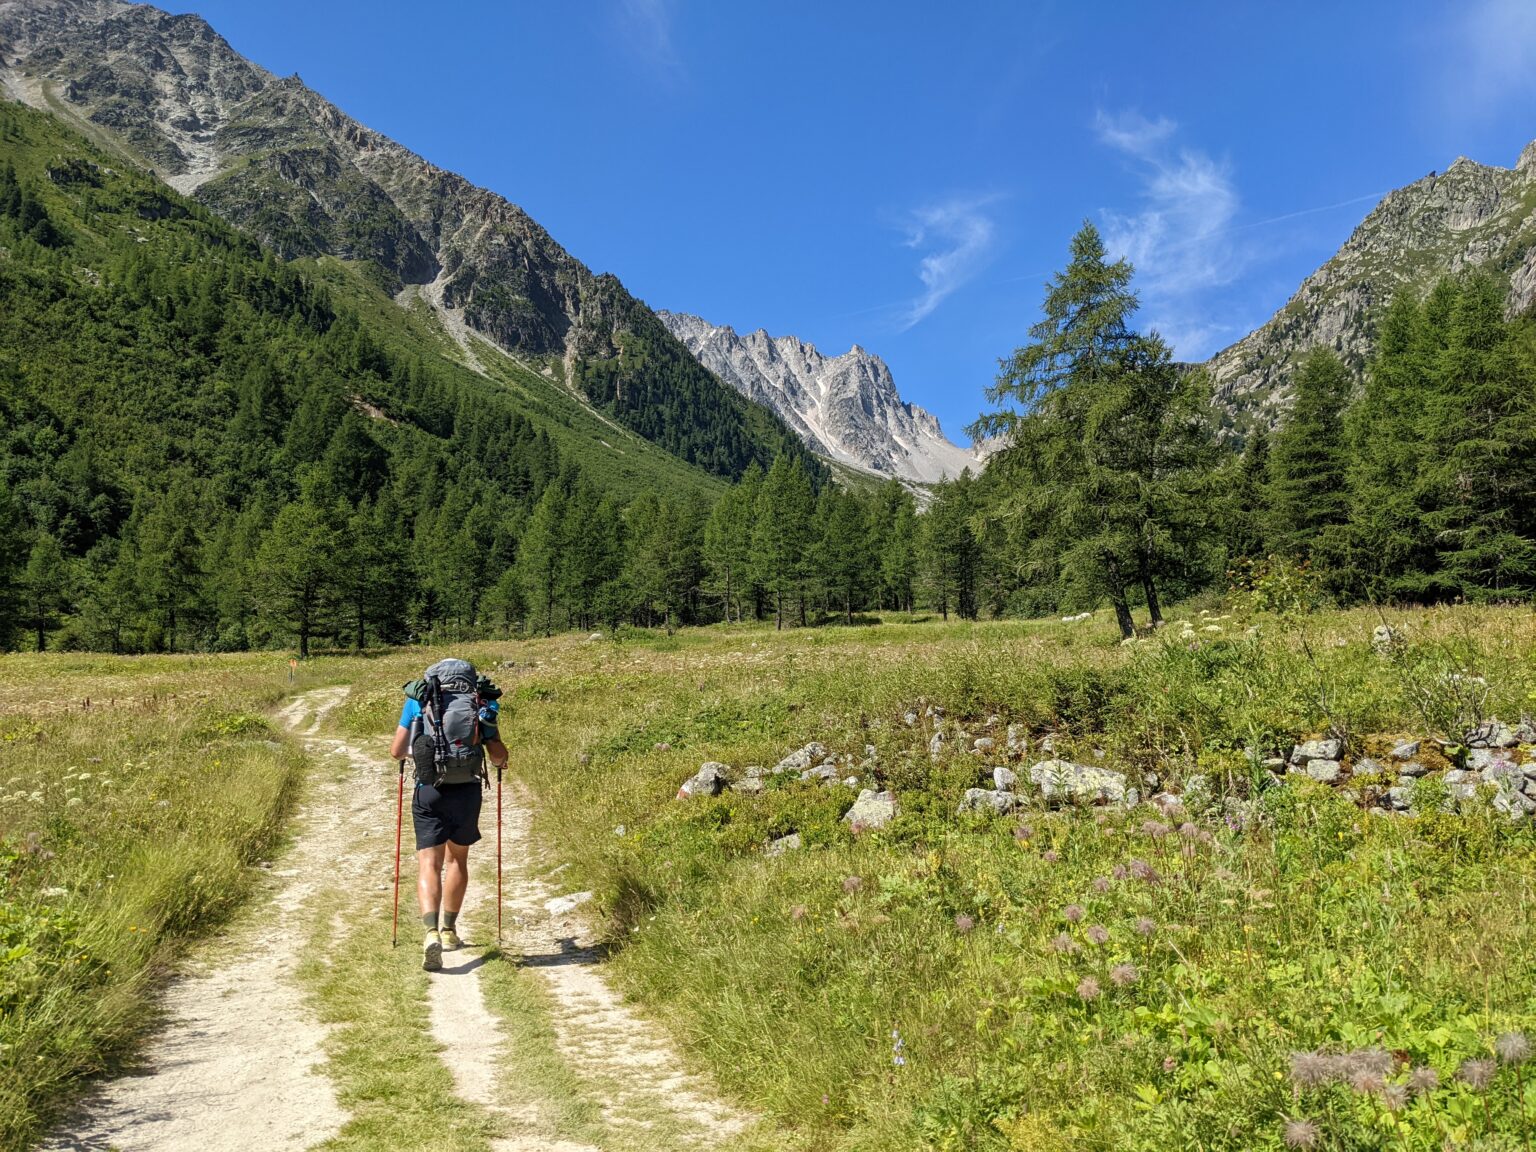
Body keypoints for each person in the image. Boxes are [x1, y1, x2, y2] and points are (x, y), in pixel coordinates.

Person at [388, 658, 507, 971]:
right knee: (457, 861)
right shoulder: (479, 703)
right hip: (467, 791)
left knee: (429, 863)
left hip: (428, 790)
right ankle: (449, 931)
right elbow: (498, 757)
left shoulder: (419, 699)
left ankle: (430, 933)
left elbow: (397, 751)